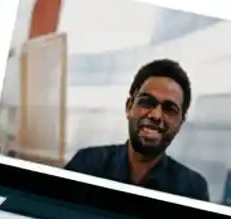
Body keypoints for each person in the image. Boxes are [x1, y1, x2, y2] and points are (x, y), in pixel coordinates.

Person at [64, 59, 209, 202]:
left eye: (169, 109)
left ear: (181, 123)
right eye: (147, 102)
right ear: (129, 107)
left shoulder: (191, 190)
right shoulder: (87, 165)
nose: (156, 115)